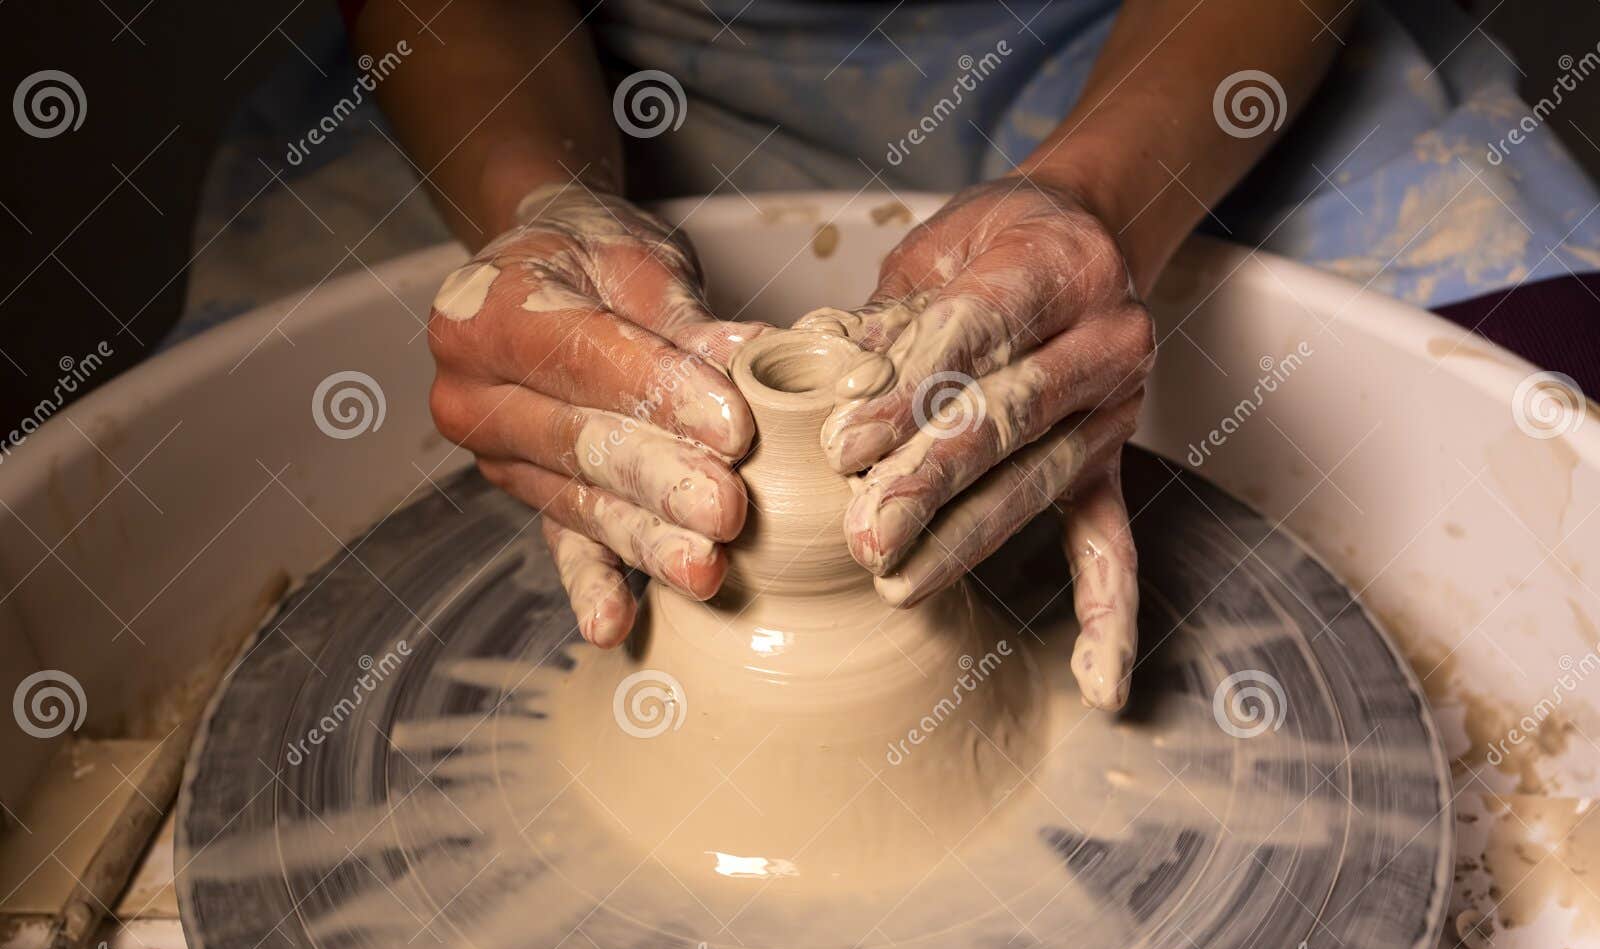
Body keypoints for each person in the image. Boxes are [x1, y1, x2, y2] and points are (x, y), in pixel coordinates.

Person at [343, 0, 1600, 711]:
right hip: (554, 70)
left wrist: (1100, 199)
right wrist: (533, 198)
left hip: (1179, 48)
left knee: (1551, 403)